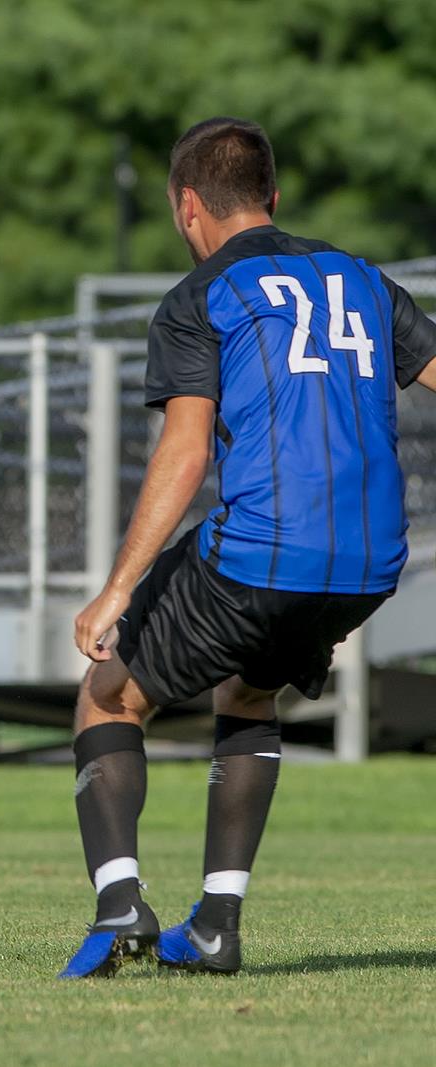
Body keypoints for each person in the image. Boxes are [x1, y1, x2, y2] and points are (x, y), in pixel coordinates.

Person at [59, 117, 436, 979]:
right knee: (250, 688)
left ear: (187, 205)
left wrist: (117, 589)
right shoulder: (361, 279)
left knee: (109, 697)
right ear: (273, 197)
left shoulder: (200, 298)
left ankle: (119, 903)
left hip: (263, 553)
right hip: (372, 563)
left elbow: (186, 454)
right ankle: (217, 922)